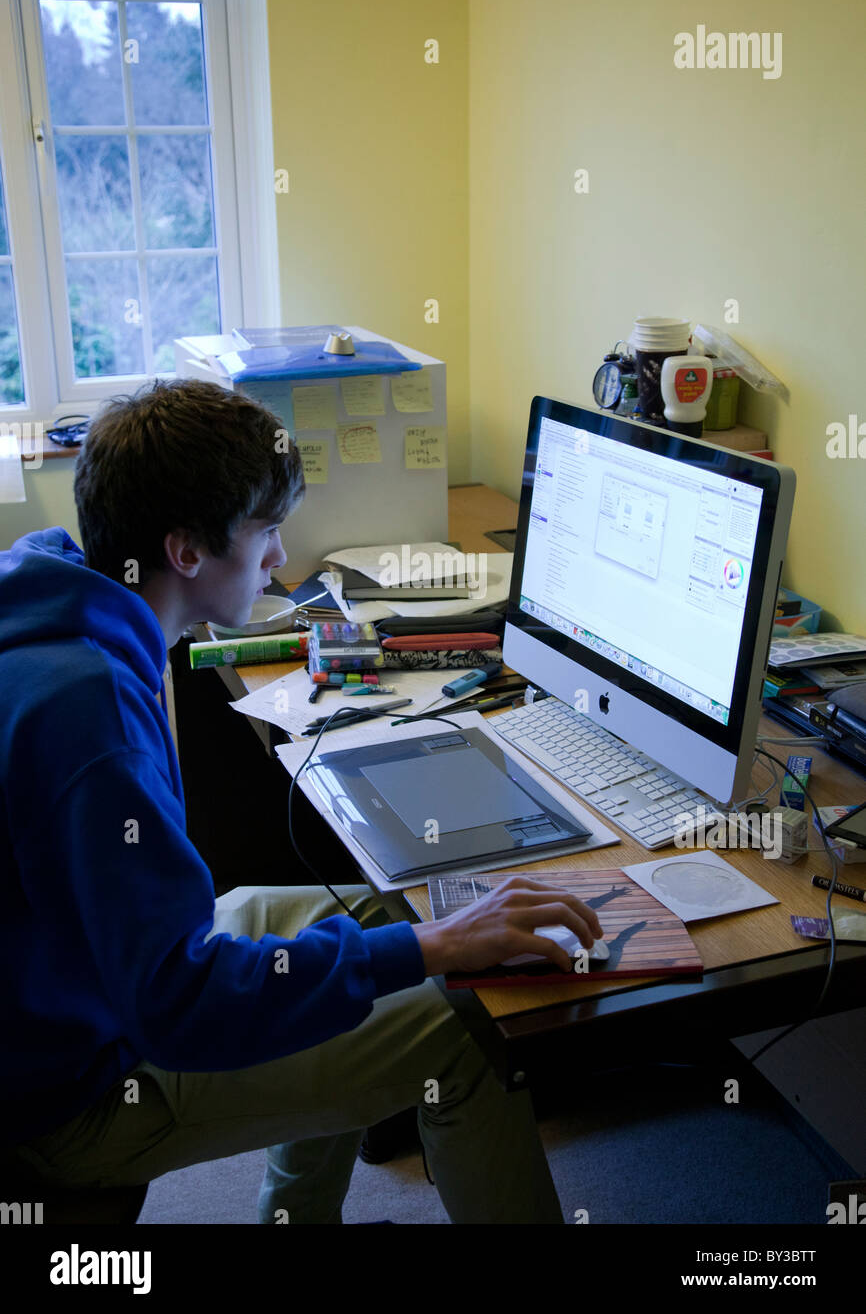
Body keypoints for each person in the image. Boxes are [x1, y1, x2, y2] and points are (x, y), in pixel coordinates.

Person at [0, 379, 603, 1224]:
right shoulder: (93, 715)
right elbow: (177, 1004)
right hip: (80, 1087)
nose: (281, 558)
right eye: (267, 533)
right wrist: (429, 950)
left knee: (363, 913)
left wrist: (415, 941)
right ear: (186, 552)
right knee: (469, 1033)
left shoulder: (51, 591)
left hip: (82, 988)